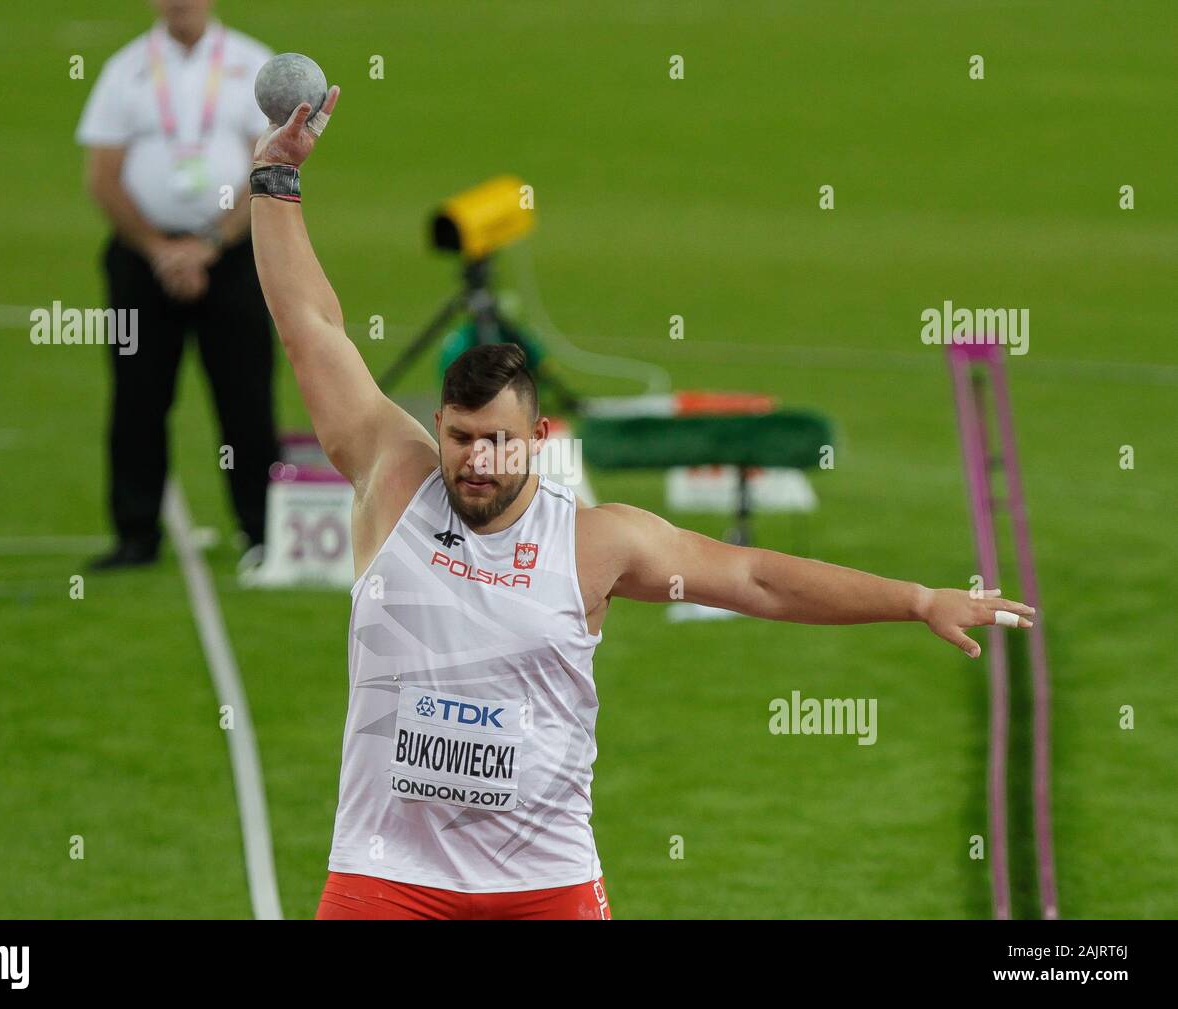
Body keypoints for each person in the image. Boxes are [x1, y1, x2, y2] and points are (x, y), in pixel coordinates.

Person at [248, 94, 1036, 920]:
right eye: (461, 438)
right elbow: (312, 327)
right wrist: (277, 177)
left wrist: (914, 600)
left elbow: (757, 579)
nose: (477, 462)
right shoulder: (394, 479)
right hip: (387, 874)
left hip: (541, 886)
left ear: (539, 436)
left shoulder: (595, 542)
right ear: (438, 426)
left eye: (500, 442)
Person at [76, 0, 278, 570]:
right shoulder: (126, 70)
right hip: (142, 261)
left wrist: (210, 244)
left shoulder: (251, 66)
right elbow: (102, 177)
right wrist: (161, 250)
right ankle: (136, 535)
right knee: (137, 398)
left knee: (246, 398)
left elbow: (270, 165)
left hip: (234, 256)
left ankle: (261, 531)